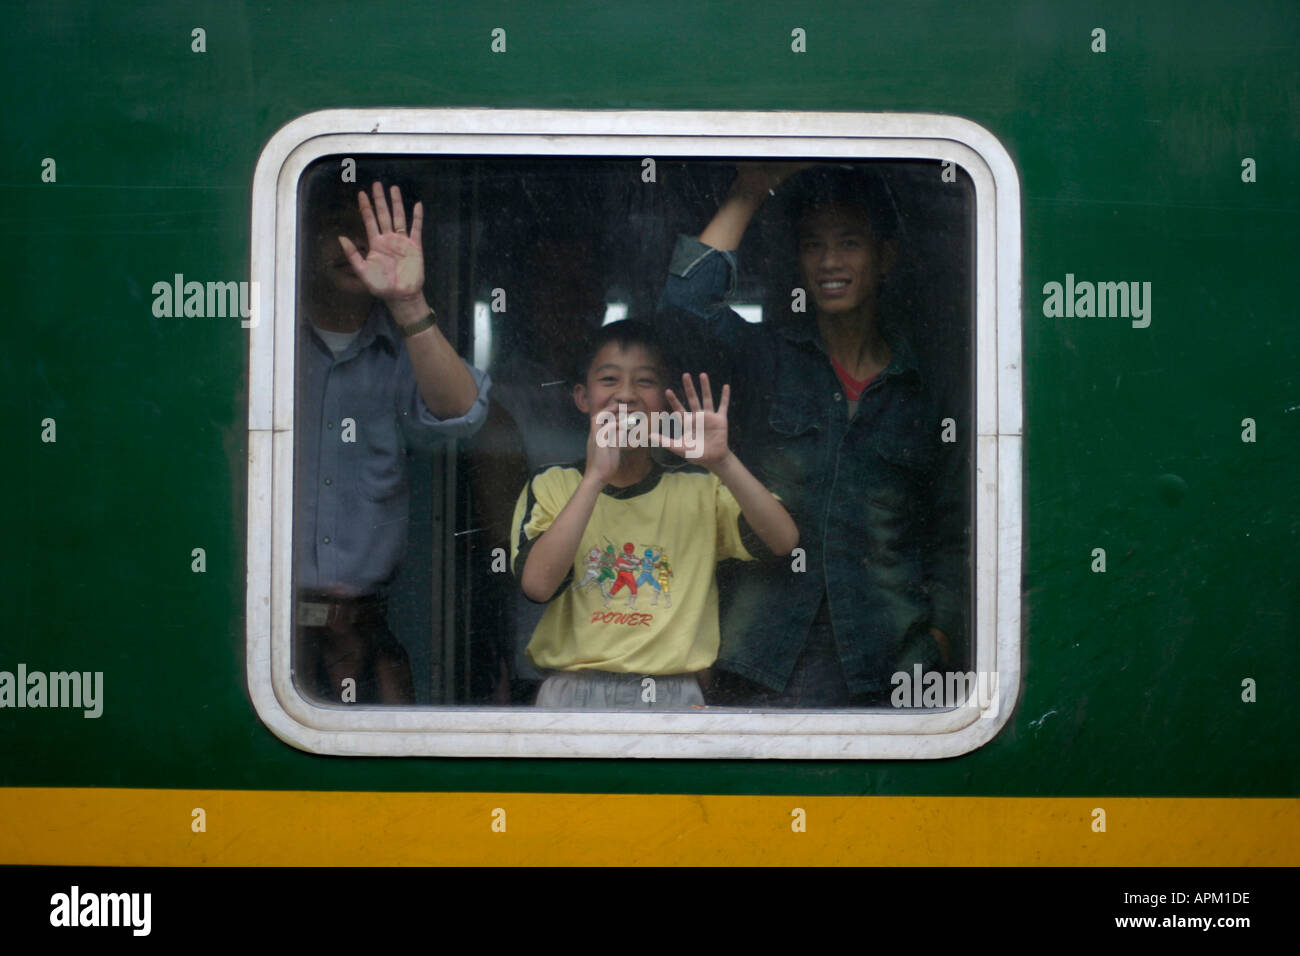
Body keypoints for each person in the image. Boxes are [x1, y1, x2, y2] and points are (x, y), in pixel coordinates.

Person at [661, 163, 970, 707]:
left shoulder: (924, 388)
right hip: (762, 658)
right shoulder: (767, 359)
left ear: (885, 258)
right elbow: (683, 310)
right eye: (814, 245)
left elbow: (954, 533)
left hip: (891, 664)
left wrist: (939, 639)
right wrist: (750, 189)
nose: (830, 261)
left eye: (850, 243)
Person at [509, 320, 798, 708]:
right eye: (609, 379)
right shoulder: (554, 485)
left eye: (644, 382)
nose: (625, 395)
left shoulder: (698, 488)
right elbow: (538, 586)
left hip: (673, 692)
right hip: (571, 691)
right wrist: (595, 478)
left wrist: (724, 462)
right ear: (581, 397)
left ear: (665, 400)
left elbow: (783, 541)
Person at [294, 180, 490, 704]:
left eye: (374, 230)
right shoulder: (265, 343)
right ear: (301, 233)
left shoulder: (401, 351)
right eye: (337, 224)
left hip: (362, 635)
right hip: (259, 626)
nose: (356, 244)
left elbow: (465, 414)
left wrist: (408, 302)